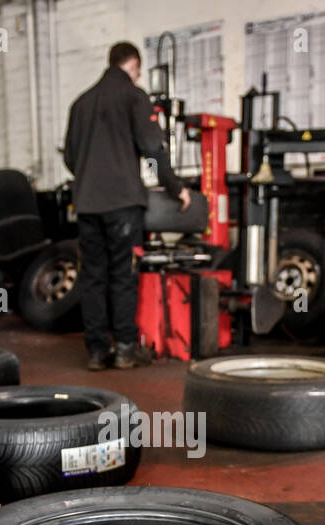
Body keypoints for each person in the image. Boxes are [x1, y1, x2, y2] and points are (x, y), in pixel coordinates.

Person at [63, 41, 192, 370]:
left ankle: (95, 352)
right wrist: (175, 187)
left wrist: (92, 180)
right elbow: (152, 146)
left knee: (92, 276)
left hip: (87, 204)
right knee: (123, 275)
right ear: (132, 64)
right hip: (122, 204)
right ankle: (124, 349)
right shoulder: (134, 96)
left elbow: (70, 158)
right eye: (137, 70)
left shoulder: (81, 103)